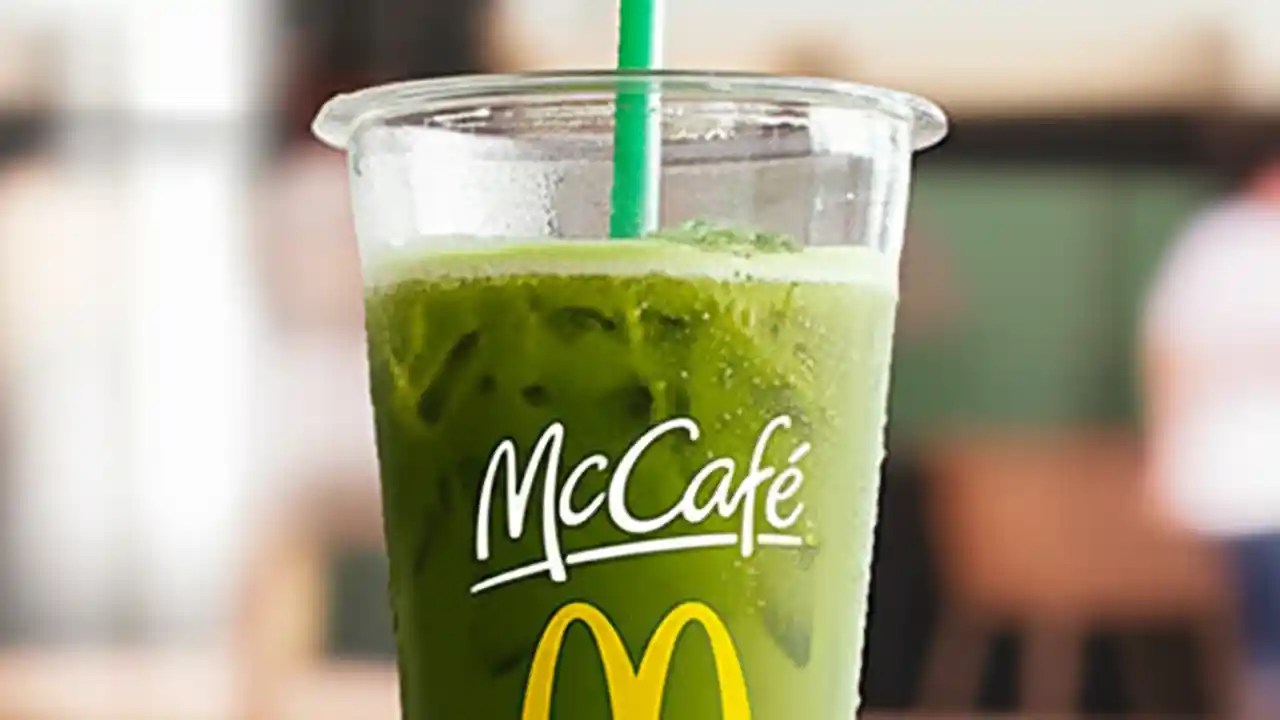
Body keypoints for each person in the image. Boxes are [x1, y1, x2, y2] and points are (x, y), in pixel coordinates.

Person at [1143, 134, 1280, 719]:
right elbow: (1172, 351)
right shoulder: (1224, 242)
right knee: (1265, 609)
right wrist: (1166, 456)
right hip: (1249, 471)